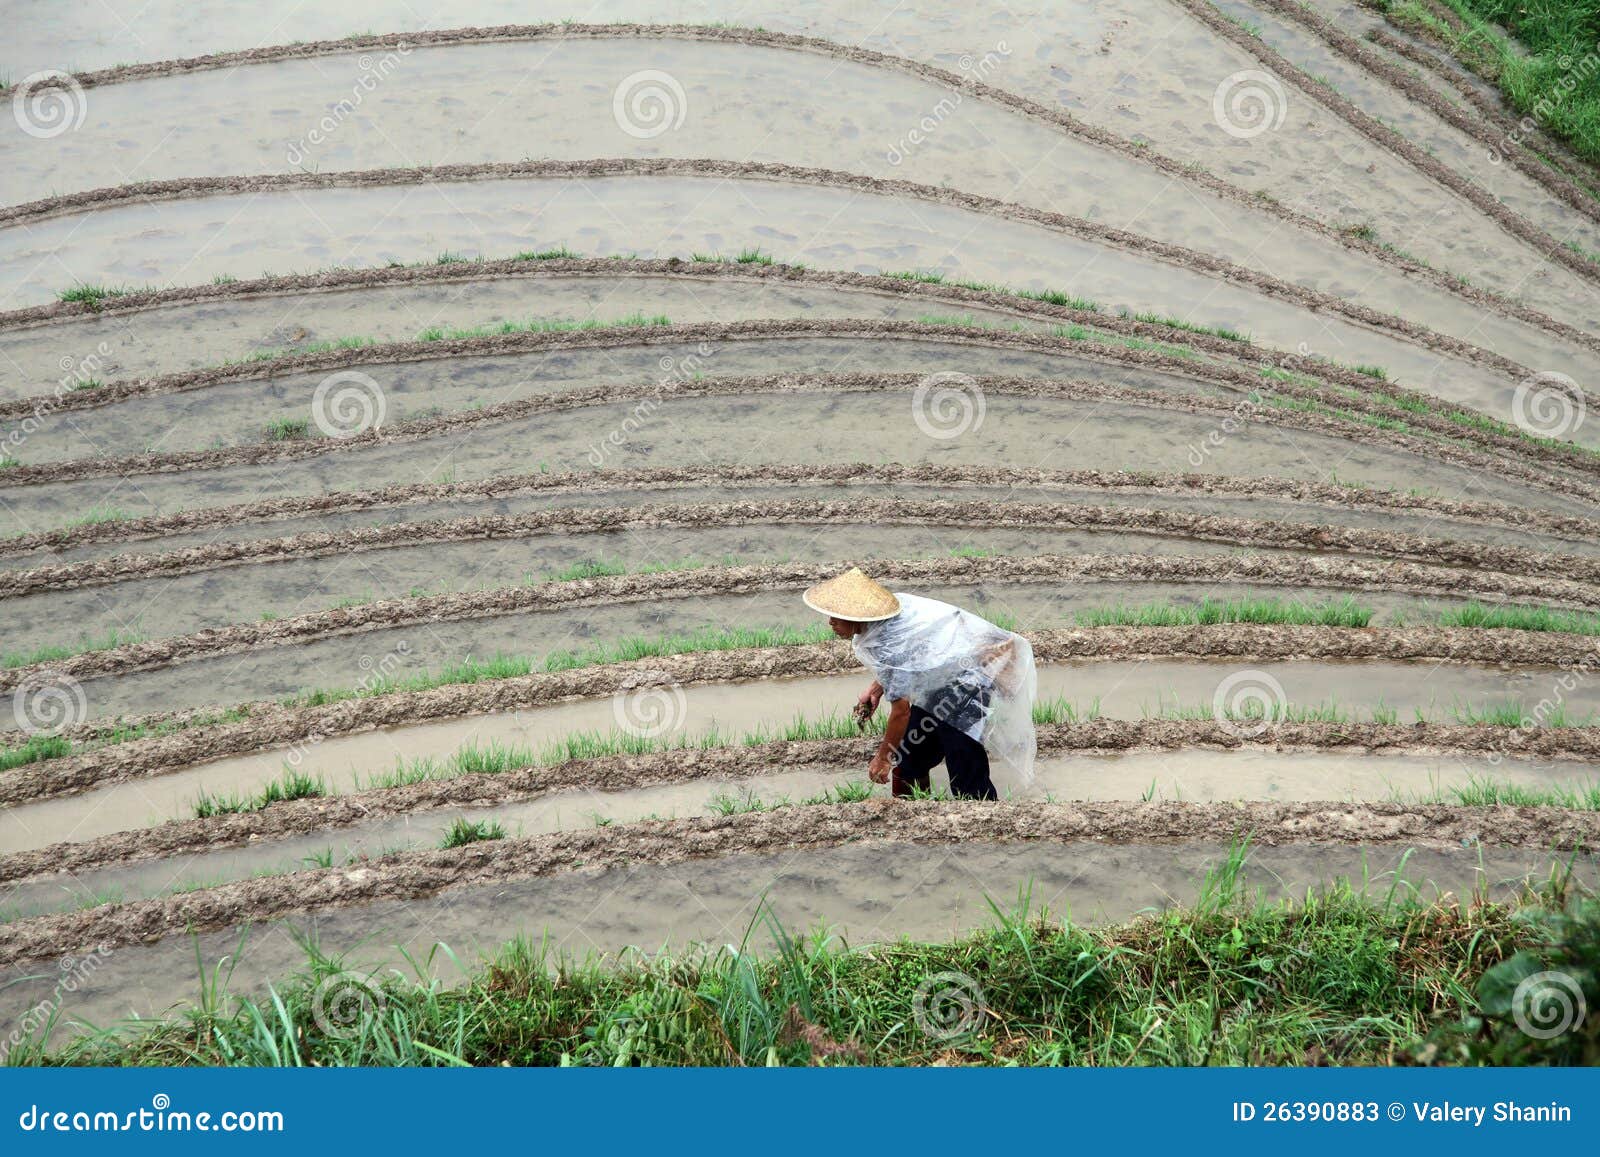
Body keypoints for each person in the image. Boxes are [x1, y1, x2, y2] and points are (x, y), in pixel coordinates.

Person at [802, 567, 1037, 800]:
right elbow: (909, 662)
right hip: (939, 682)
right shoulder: (881, 625)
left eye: (836, 616)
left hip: (969, 682)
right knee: (910, 758)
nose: (830, 622)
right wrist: (875, 689)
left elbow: (900, 712)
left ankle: (984, 824)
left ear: (857, 616)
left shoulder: (890, 637)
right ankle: (914, 814)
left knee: (964, 765)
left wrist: (883, 758)